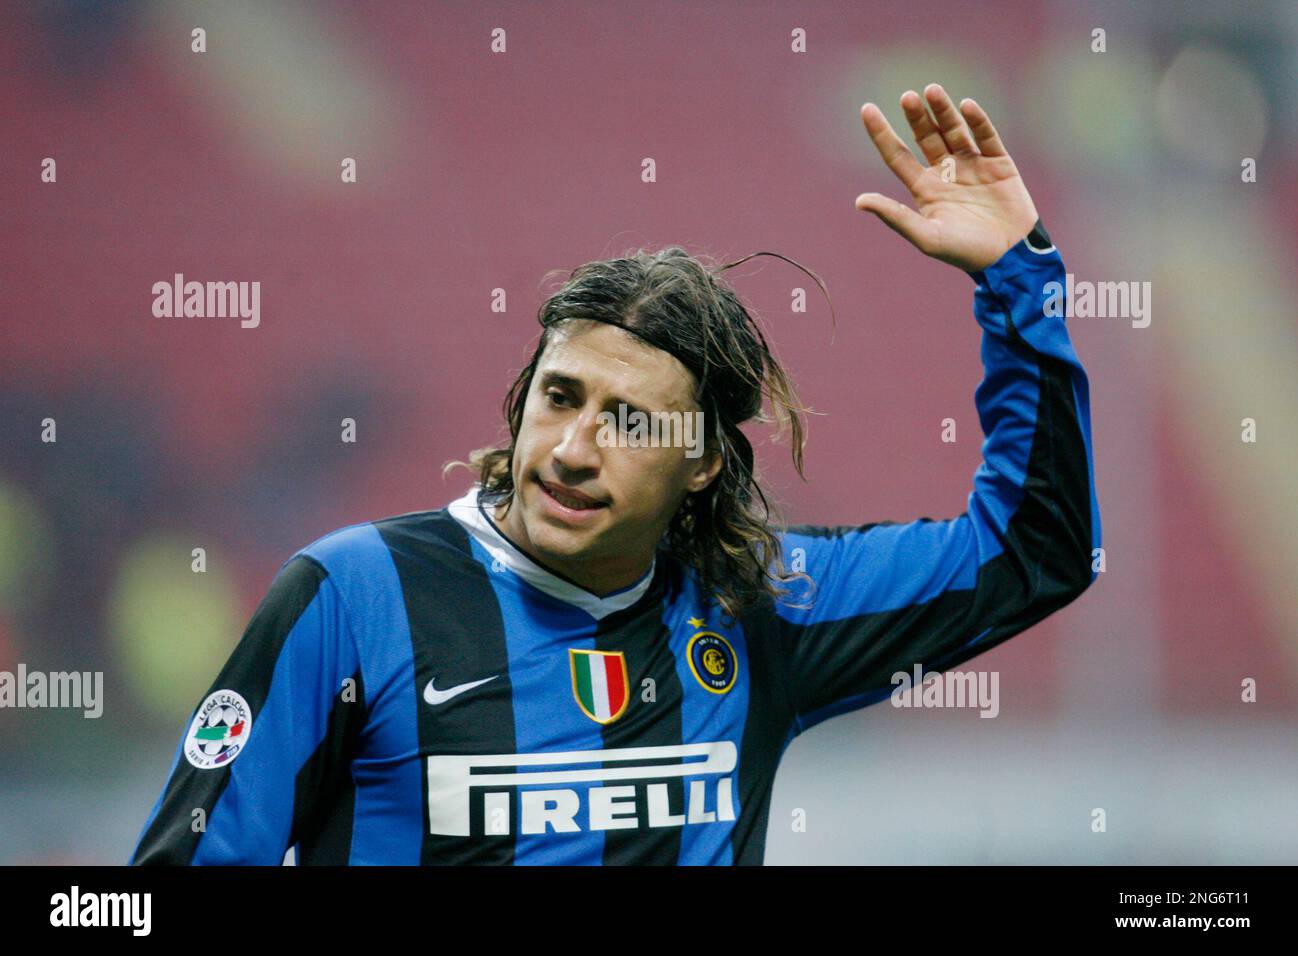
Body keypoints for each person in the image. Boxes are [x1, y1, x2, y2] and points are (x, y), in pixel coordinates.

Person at [131, 84, 1100, 865]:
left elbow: (1035, 552)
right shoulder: (353, 597)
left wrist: (1017, 279)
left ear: (703, 460)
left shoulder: (757, 607)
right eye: (560, 397)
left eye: (630, 422)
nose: (572, 448)